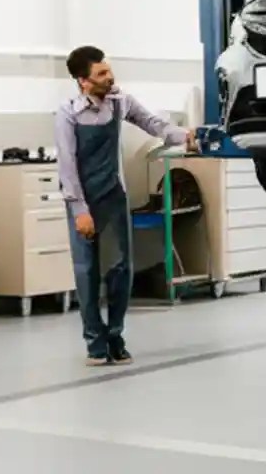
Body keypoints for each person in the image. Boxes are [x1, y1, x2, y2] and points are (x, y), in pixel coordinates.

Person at [55, 45, 196, 366]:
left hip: (113, 195)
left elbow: (153, 124)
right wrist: (79, 210)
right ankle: (94, 341)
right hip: (84, 199)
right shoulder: (68, 114)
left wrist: (185, 136)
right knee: (87, 270)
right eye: (101, 74)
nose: (110, 77)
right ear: (83, 81)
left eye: (109, 70)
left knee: (121, 268)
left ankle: (116, 336)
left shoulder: (120, 102)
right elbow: (67, 164)